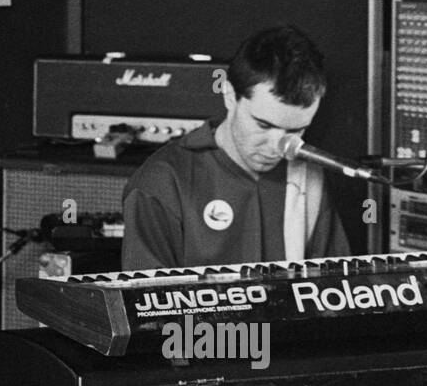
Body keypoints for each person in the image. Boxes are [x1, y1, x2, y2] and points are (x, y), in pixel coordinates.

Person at [121, 25, 349, 270]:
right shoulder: (163, 181)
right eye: (263, 124)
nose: (278, 147)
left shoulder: (308, 177)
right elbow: (146, 304)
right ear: (230, 95)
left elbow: (333, 289)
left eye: (295, 131)